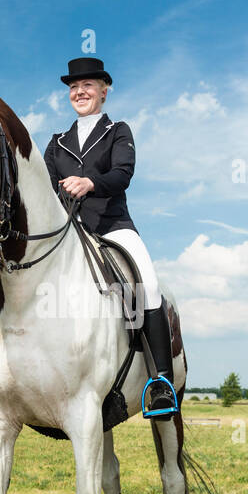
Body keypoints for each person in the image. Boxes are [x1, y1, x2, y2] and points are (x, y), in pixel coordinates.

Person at [44, 56, 177, 419]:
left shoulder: (118, 130)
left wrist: (90, 183)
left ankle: (161, 382)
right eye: (73, 87)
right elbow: (44, 189)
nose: (79, 91)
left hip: (113, 225)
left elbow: (123, 174)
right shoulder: (57, 143)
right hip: (70, 232)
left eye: (87, 85)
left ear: (103, 91)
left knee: (147, 285)